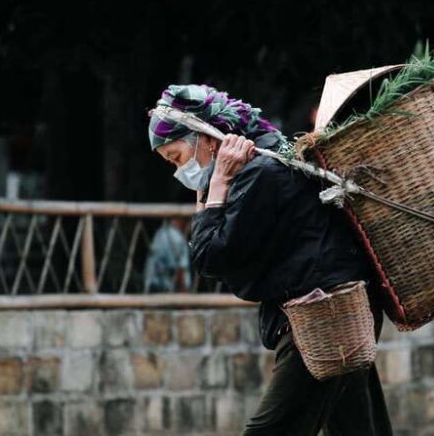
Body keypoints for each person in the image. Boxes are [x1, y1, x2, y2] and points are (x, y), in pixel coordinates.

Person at [148, 83, 393, 436]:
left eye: (176, 157)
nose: (178, 171)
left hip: (322, 314)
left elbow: (211, 257)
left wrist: (214, 187)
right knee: (356, 427)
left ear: (208, 140)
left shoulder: (261, 173)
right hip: (339, 307)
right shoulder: (264, 165)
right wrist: (212, 187)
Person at [143, 217, 192, 293]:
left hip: (153, 287)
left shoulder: (161, 232)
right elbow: (179, 271)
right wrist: (183, 295)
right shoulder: (176, 238)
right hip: (167, 290)